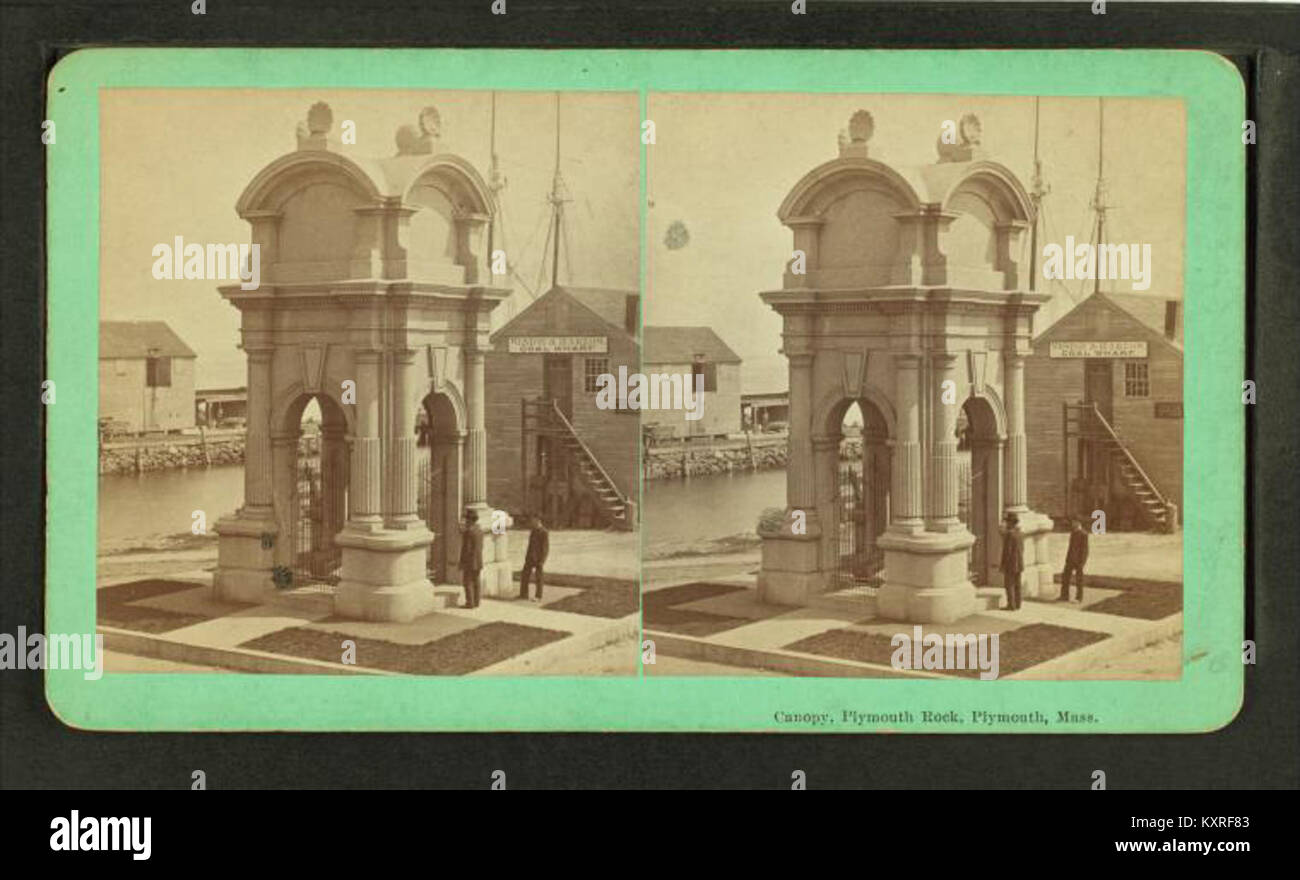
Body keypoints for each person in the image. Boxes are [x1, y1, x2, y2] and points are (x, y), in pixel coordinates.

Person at [519, 514, 549, 602]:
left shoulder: (544, 532)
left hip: (538, 558)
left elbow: (545, 548)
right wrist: (527, 556)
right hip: (530, 557)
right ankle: (523, 594)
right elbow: (530, 545)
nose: (532, 522)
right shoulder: (533, 531)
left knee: (539, 578)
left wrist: (542, 560)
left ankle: (538, 596)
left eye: (534, 520)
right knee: (525, 575)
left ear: (538, 520)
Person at [459, 508, 484, 609]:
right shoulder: (480, 530)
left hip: (470, 561)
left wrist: (462, 562)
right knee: (476, 581)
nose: (465, 521)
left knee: (467, 581)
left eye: (466, 519)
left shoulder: (468, 532)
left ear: (470, 520)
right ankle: (477, 601)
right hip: (478, 560)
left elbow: (466, 549)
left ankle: (470, 602)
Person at [1060, 518, 1090, 603]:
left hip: (1079, 561)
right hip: (1070, 560)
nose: (1073, 524)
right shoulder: (1073, 533)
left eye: (1074, 522)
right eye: (1073, 522)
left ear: (1079, 522)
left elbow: (1085, 550)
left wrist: (1082, 562)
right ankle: (1064, 596)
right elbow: (1070, 547)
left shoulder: (1083, 534)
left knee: (1079, 580)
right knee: (1065, 577)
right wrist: (1067, 558)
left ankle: (1079, 598)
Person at [1000, 511, 1024, 611]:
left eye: (1007, 522)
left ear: (1010, 523)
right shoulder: (1020, 533)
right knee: (1017, 584)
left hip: (1011, 563)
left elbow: (1007, 552)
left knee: (1009, 584)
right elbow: (1022, 549)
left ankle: (1011, 605)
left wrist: (1003, 565)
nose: (1005, 524)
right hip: (1019, 562)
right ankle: (1018, 604)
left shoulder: (1009, 535)